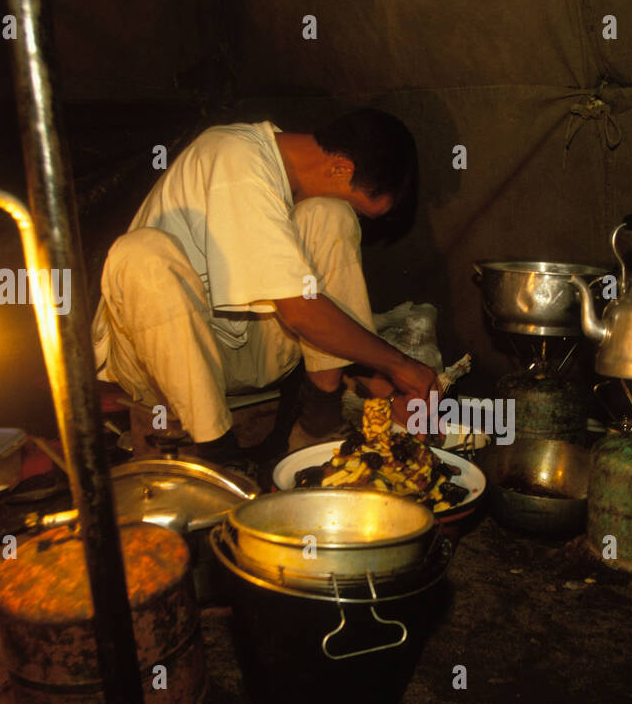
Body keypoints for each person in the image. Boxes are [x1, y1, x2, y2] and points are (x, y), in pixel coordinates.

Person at [91, 108, 439, 467]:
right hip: (158, 360)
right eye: (361, 209)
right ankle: (216, 456)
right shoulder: (234, 156)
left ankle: (321, 417)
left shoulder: (278, 171)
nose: (357, 220)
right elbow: (299, 311)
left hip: (239, 353)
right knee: (140, 253)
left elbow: (305, 300)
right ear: (341, 168)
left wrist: (384, 385)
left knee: (327, 216)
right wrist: (399, 364)